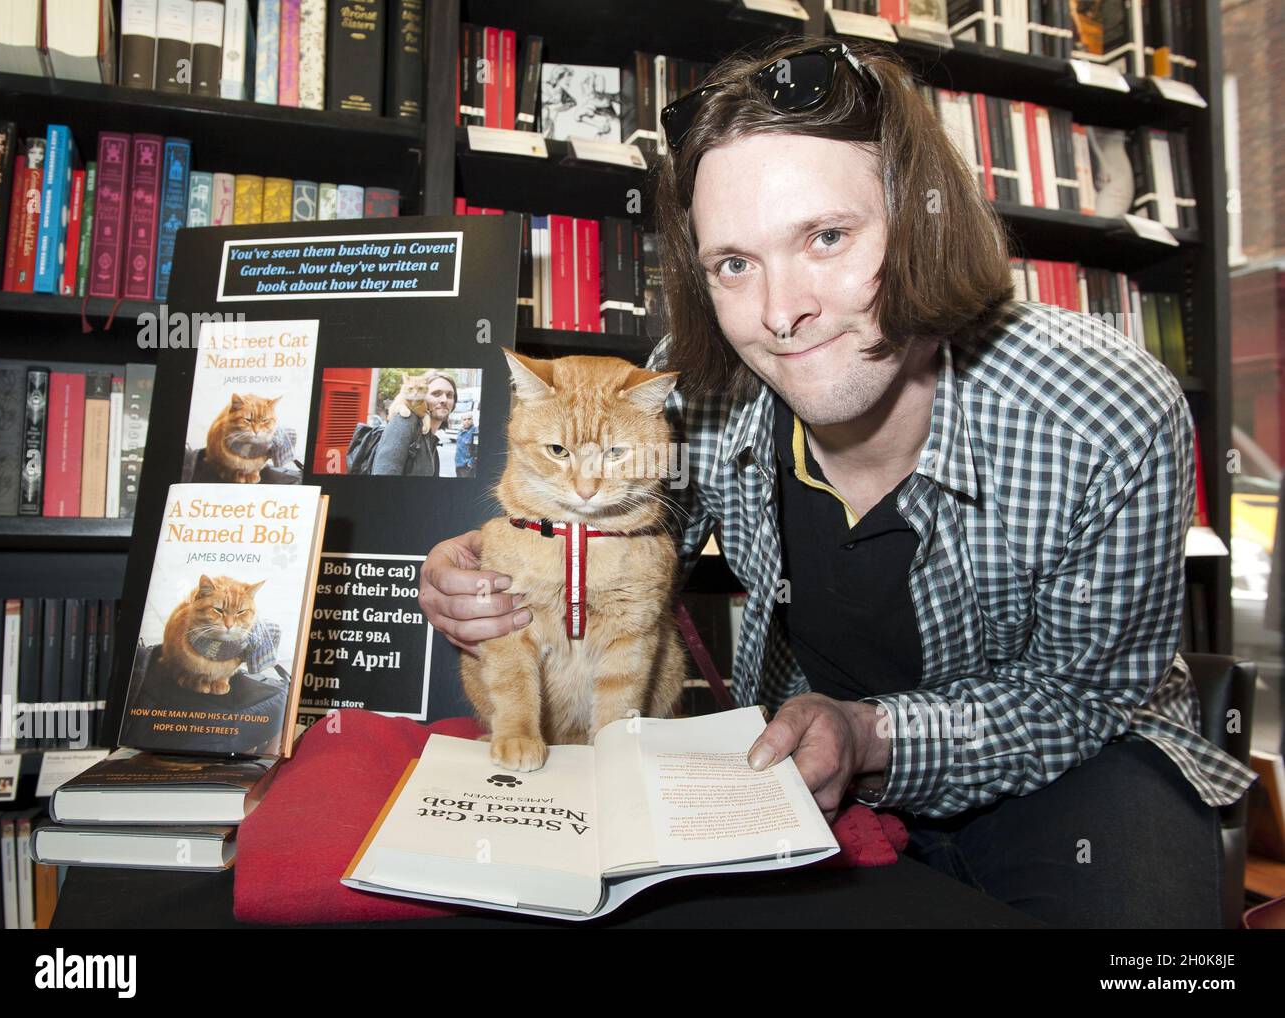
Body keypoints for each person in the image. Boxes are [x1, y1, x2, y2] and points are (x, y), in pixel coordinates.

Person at [418, 37, 1257, 927]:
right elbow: (617, 527)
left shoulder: (1104, 408)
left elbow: (1084, 698)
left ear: (924, 222)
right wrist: (478, 562)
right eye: (734, 263)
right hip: (803, 761)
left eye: (826, 237)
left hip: (1082, 762)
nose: (781, 314)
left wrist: (872, 734)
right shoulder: (690, 389)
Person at [371, 371, 456, 477]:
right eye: (436, 394)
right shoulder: (405, 421)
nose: (444, 400)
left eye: (450, 395)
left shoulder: (431, 439)